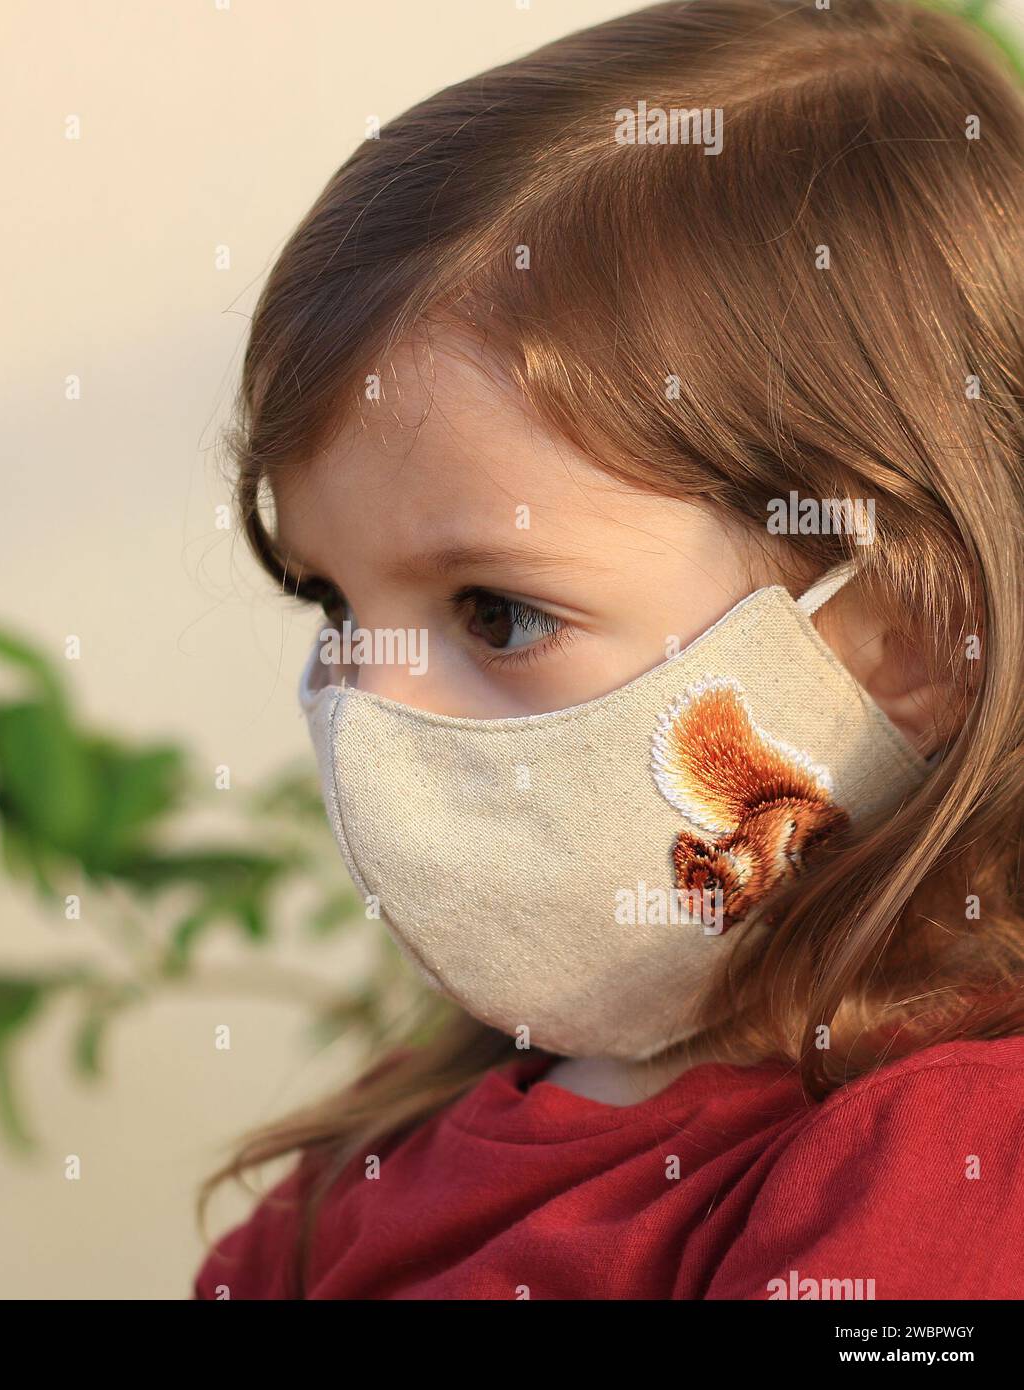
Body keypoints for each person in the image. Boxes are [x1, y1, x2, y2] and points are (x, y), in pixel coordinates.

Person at [194, 0, 1024, 1299]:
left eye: (497, 614)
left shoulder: (947, 1162)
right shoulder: (390, 1143)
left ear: (907, 639)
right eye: (333, 606)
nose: (366, 709)